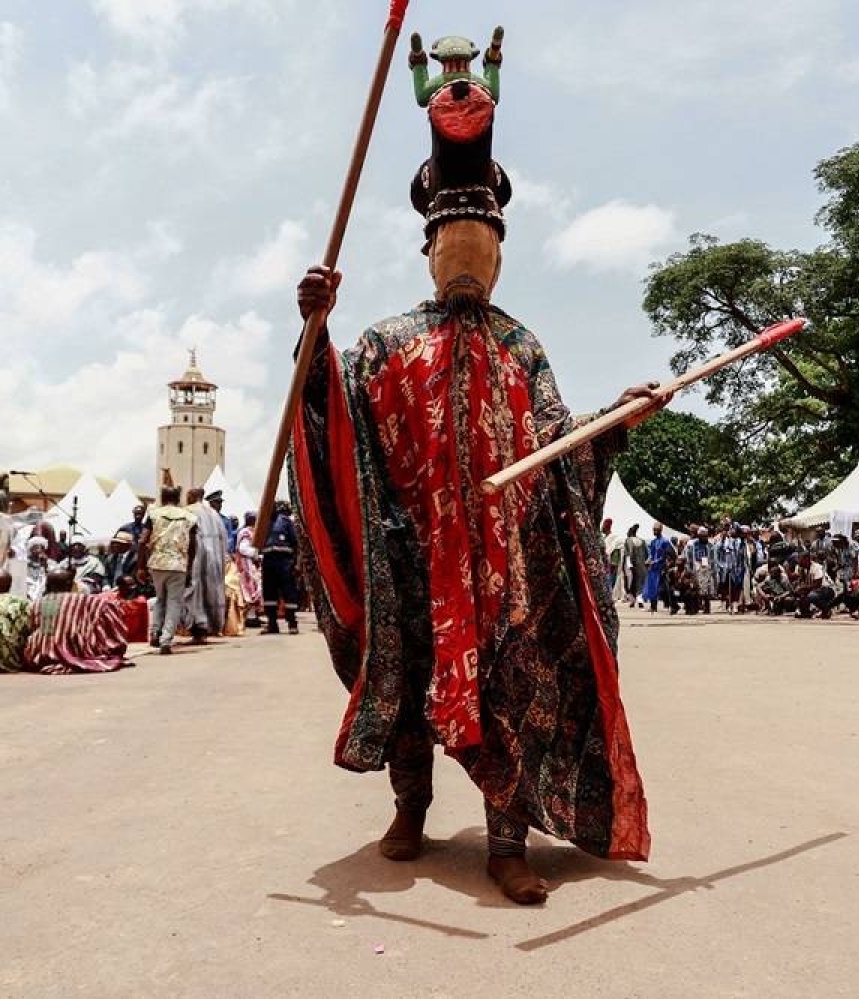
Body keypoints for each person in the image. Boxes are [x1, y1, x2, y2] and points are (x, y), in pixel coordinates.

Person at [286, 54, 655, 905]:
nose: (468, 254)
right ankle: (410, 805)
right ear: (429, 250)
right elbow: (330, 422)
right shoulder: (382, 342)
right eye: (454, 240)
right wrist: (313, 339)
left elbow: (563, 443)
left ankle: (505, 842)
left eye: (480, 242)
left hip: (504, 563)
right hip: (407, 554)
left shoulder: (523, 346)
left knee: (513, 691)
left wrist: (615, 421)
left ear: (497, 252)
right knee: (408, 685)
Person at [22, 570, 127, 673]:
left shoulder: (37, 604)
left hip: (40, 655)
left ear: (48, 585)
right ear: (70, 584)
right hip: (75, 650)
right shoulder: (88, 600)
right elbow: (111, 610)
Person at [141, 485, 197, 655]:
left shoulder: (153, 515)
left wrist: (140, 567)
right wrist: (189, 568)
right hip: (178, 564)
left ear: (162, 498)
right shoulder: (189, 517)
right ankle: (166, 640)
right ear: (178, 499)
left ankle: (155, 633)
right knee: (174, 602)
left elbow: (142, 541)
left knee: (160, 599)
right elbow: (193, 546)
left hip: (157, 563)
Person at [182, 487, 229, 642]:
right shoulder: (214, 515)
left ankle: (199, 629)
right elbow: (224, 541)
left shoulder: (188, 512)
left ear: (192, 496)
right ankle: (207, 627)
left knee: (194, 594)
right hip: (213, 560)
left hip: (195, 558)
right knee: (210, 592)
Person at [261, 500, 300, 635]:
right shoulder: (263, 522)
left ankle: (292, 623)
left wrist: (296, 563)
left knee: (288, 592)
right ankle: (272, 623)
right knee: (269, 593)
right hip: (268, 561)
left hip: (284, 562)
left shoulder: (285, 521)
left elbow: (295, 543)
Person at [101, 574, 151, 644]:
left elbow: (144, 623)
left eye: (133, 585)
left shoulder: (141, 602)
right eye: (129, 585)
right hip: (117, 640)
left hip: (136, 640)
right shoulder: (111, 600)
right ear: (120, 587)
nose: (133, 588)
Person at [235, 512, 264, 630]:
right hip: (246, 566)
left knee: (256, 588)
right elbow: (243, 549)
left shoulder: (252, 531)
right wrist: (257, 554)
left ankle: (254, 615)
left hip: (253, 565)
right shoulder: (245, 532)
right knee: (250, 590)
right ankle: (250, 617)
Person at [794, 553, 838, 619]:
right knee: (800, 595)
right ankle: (806, 612)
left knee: (812, 595)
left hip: (828, 589)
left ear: (807, 559)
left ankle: (826, 610)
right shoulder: (803, 569)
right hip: (817, 590)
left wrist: (804, 588)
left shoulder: (816, 567)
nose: (799, 561)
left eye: (800, 559)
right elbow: (803, 583)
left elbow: (818, 584)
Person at [683, 527, 716, 614]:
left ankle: (707, 607)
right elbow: (689, 557)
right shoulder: (693, 545)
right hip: (696, 566)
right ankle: (696, 606)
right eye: (702, 536)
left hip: (707, 567)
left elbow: (713, 558)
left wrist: (712, 569)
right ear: (699, 536)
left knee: (707, 588)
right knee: (697, 588)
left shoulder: (710, 545)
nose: (704, 537)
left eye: (706, 536)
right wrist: (690, 568)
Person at [644, 523, 675, 613]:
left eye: (657, 529)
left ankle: (671, 605)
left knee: (665, 588)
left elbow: (668, 555)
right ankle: (653, 606)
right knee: (652, 587)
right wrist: (648, 560)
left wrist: (658, 561)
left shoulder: (665, 541)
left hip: (662, 568)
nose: (655, 531)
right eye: (654, 529)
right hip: (653, 568)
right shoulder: (653, 542)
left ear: (661, 530)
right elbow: (651, 554)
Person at [622, 524, 648, 608]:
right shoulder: (642, 541)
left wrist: (629, 565)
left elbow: (627, 554)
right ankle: (639, 599)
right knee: (640, 583)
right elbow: (647, 554)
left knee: (631, 583)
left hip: (631, 566)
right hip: (642, 565)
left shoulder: (628, 540)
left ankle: (633, 600)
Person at [603, 518, 626, 597]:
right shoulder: (604, 538)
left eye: (603, 525)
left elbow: (614, 556)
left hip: (610, 567)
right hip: (603, 567)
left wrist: (612, 566)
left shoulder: (614, 539)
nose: (602, 527)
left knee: (609, 586)